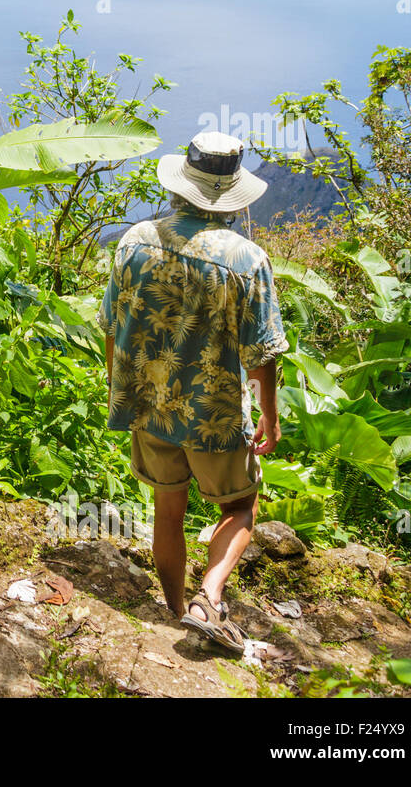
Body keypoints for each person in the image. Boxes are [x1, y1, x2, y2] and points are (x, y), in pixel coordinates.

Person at [98, 130, 288, 652]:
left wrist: (122, 389)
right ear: (229, 195)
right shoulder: (247, 259)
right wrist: (269, 417)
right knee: (241, 507)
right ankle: (207, 598)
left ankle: (177, 610)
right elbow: (263, 354)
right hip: (215, 414)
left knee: (168, 509)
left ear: (181, 184)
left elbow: (111, 326)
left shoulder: (135, 240)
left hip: (149, 405)